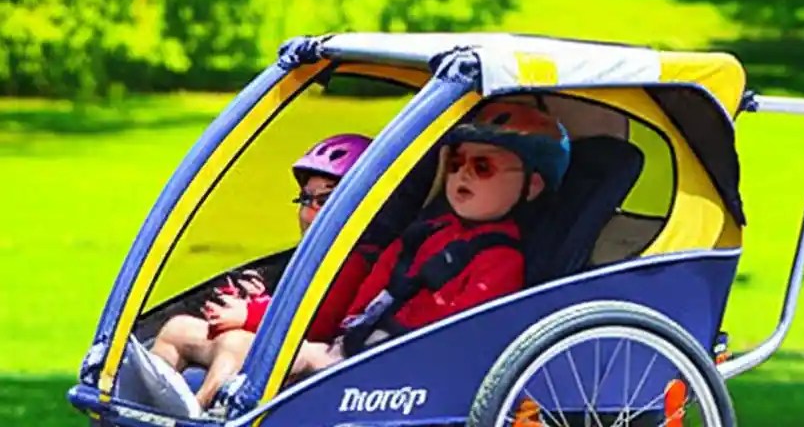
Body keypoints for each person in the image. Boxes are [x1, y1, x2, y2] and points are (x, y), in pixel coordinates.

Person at [198, 100, 571, 392]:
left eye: (482, 167)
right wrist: (351, 330)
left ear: (533, 186)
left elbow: (463, 330)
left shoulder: (500, 257)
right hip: (364, 349)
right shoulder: (429, 231)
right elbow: (376, 284)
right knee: (234, 345)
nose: (462, 175)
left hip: (403, 366)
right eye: (456, 164)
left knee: (263, 353)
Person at [148, 133, 376, 408]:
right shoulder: (316, 257)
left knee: (235, 345)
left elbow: (317, 324)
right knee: (177, 328)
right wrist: (255, 300)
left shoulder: (356, 260)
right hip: (288, 346)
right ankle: (145, 407)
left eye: (324, 201)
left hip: (326, 360)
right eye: (305, 200)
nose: (307, 214)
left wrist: (249, 314)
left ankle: (200, 414)